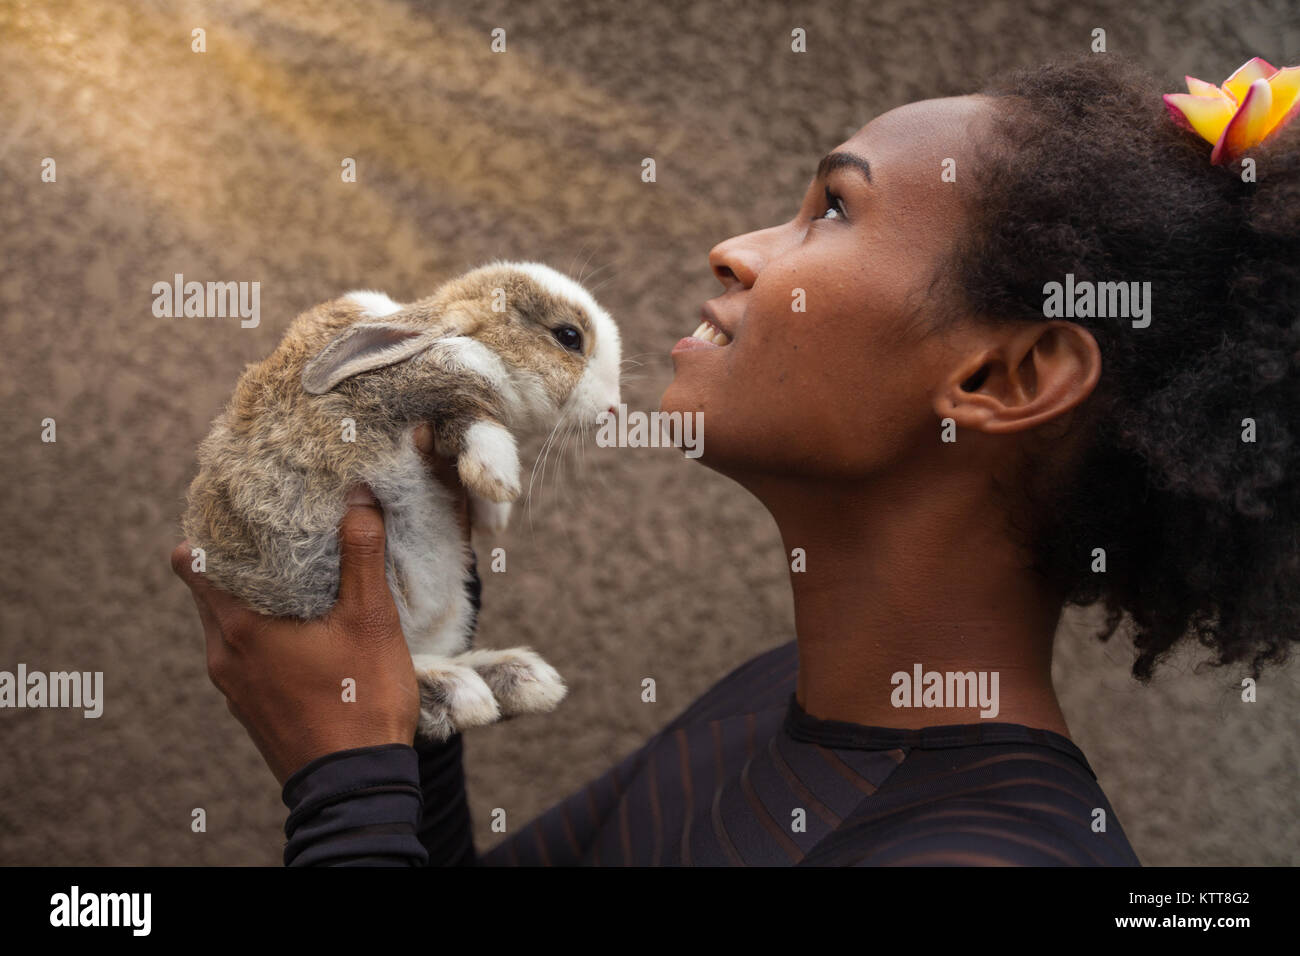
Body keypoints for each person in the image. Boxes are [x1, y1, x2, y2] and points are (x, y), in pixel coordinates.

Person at [172, 54, 1298, 866]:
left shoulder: (982, 854)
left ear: (1004, 379)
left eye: (833, 209)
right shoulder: (767, 702)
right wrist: (402, 674)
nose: (736, 249)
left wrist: (341, 779)